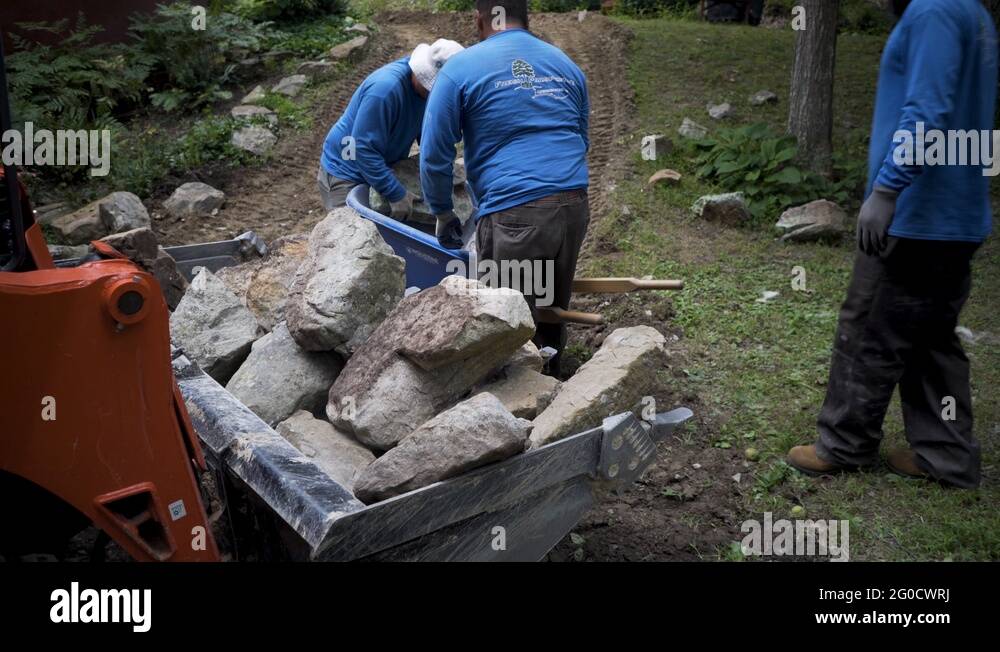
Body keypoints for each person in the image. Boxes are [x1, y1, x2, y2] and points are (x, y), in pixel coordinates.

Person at [787, 0, 997, 488]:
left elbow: (927, 108)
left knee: (867, 330)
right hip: (957, 213)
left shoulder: (933, 11)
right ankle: (946, 454)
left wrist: (887, 189)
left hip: (917, 214)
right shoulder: (976, 14)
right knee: (930, 338)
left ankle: (844, 443)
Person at [419, 0, 589, 375]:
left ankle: (516, 404)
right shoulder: (566, 65)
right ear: (526, 18)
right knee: (548, 308)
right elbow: (581, 137)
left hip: (516, 213)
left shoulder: (461, 68)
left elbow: (434, 154)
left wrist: (443, 212)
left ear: (481, 19)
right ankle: (553, 386)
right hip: (573, 203)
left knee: (507, 320)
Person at [317, 39, 464, 214]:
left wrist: (443, 169)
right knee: (348, 234)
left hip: (382, 163)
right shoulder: (384, 90)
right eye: (429, 85)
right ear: (420, 69)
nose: (431, 92)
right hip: (347, 170)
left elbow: (429, 136)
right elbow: (362, 148)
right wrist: (395, 193)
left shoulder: (429, 93)